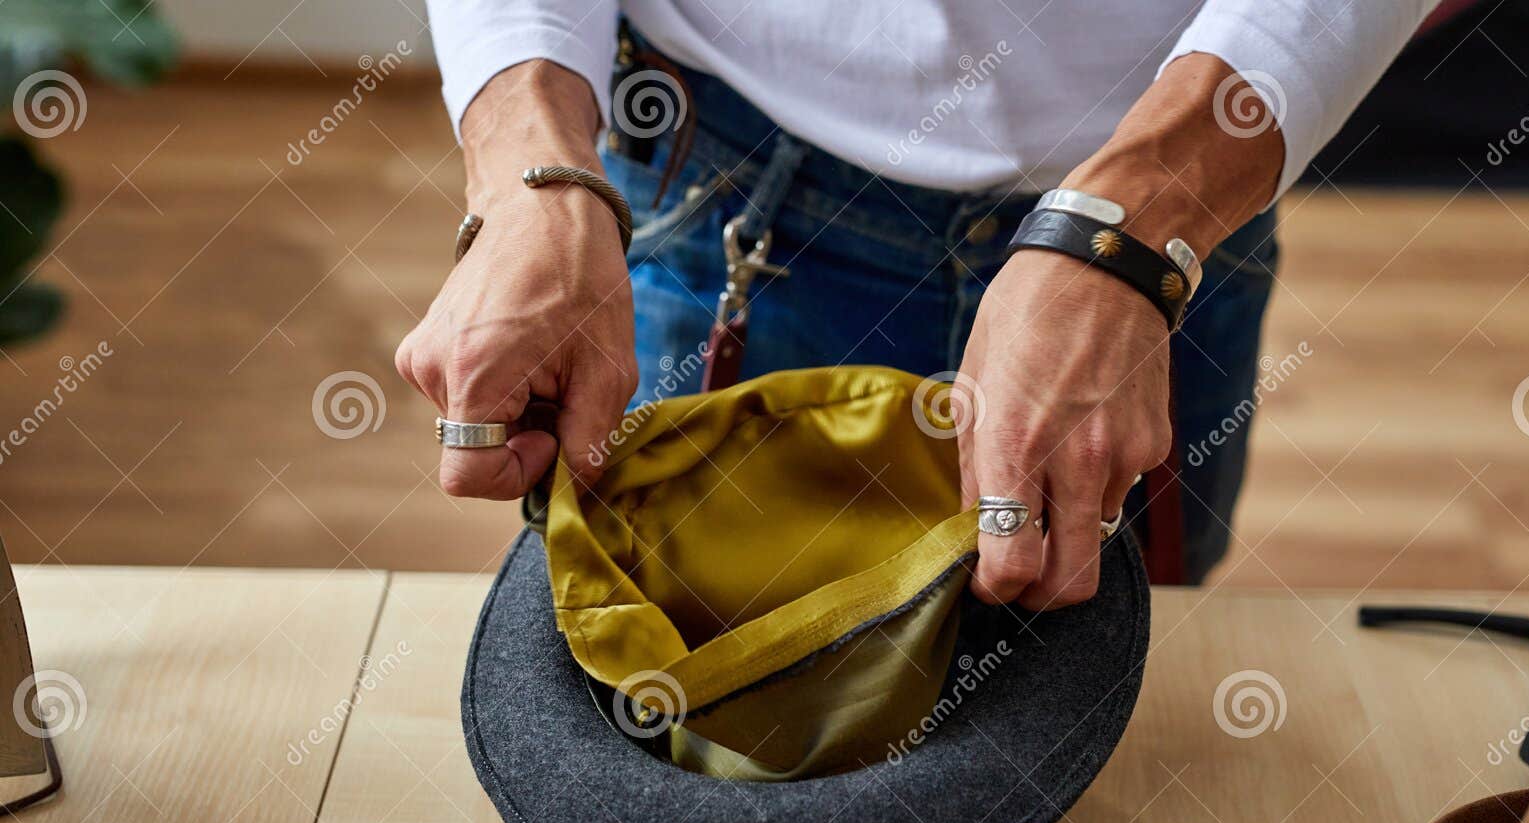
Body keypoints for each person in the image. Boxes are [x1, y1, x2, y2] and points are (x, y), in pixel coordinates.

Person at [398, 1, 1437, 605]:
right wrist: (526, 162)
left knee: (1110, 692)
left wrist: (1140, 219)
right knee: (677, 691)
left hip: (1176, 197)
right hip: (727, 175)